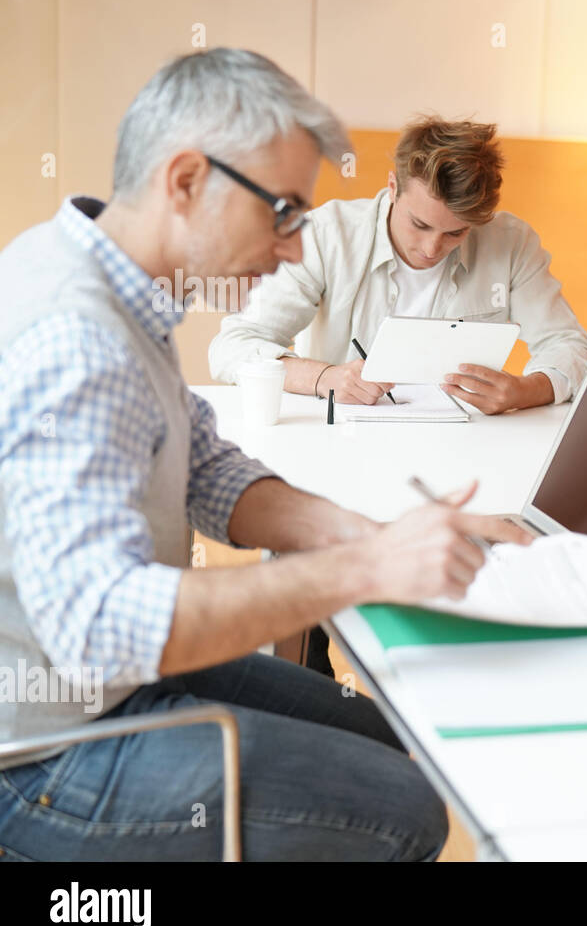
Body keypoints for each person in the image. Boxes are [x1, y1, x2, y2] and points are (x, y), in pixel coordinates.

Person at [0, 48, 530, 861]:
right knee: (406, 808)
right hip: (46, 746)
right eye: (282, 210)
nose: (293, 246)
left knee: (387, 731)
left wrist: (373, 533)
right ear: (184, 181)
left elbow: (208, 468)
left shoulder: (105, 276)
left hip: (99, 682)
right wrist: (368, 570)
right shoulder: (78, 338)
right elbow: (102, 626)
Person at [208, 114, 587, 412]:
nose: (431, 248)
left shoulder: (511, 243)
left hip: (464, 450)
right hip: (344, 445)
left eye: (455, 233)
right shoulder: (328, 235)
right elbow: (233, 346)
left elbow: (571, 347)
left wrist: (526, 390)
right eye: (420, 224)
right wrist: (325, 378)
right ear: (392, 186)